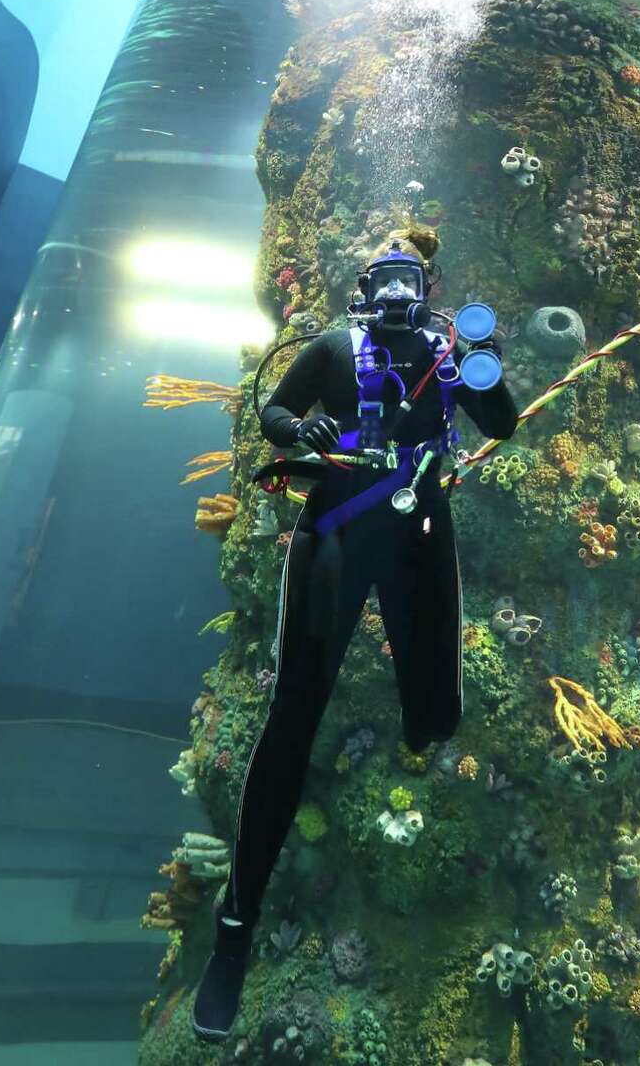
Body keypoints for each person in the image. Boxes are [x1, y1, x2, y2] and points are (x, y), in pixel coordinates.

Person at [192, 231, 518, 1040]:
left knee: (438, 716)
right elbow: (272, 408)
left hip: (418, 533)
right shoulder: (336, 345)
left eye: (412, 276)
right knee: (290, 720)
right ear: (365, 288)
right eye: (387, 278)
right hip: (333, 530)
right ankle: (236, 929)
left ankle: (415, 733)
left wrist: (487, 362)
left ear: (431, 285)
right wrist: (292, 434)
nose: (400, 290)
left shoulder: (450, 352)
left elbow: (502, 425)